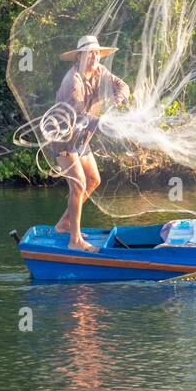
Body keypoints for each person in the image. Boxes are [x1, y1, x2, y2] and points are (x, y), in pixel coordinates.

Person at [51, 35, 129, 251]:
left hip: (81, 138)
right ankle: (75, 241)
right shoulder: (72, 81)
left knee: (93, 180)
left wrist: (119, 97)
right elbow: (77, 115)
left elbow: (121, 85)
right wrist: (103, 124)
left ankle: (65, 223)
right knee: (78, 184)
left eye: (97, 53)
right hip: (63, 138)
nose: (95, 56)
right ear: (80, 56)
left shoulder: (100, 72)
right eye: (90, 53)